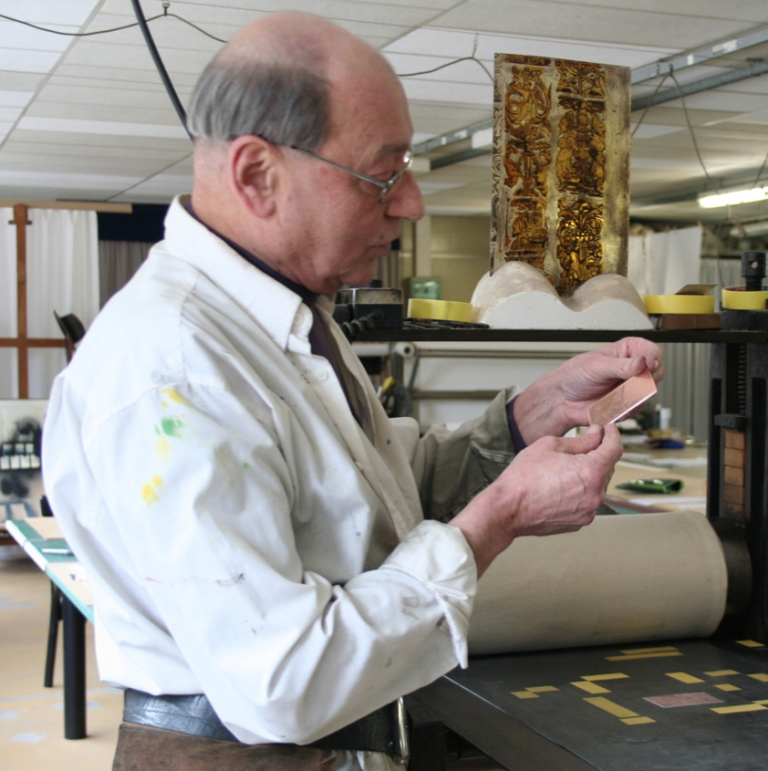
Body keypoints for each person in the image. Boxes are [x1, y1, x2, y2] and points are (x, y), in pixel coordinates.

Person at [42, 11, 664, 771]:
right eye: (383, 173)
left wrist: (525, 420)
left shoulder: (294, 317)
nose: (411, 204)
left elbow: (365, 501)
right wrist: (497, 519)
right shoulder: (173, 372)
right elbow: (284, 685)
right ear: (258, 175)